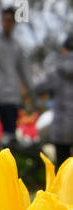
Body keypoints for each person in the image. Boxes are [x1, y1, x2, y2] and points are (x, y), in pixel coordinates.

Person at [0, 5, 31, 146]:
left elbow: (25, 72)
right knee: (7, 135)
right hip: (0, 95)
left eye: (9, 20)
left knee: (10, 135)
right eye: (4, 20)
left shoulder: (17, 46)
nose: (5, 24)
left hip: (13, 96)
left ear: (14, 23)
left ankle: (10, 162)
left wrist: (31, 96)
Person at [34, 35, 73, 164]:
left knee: (63, 168)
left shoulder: (56, 71)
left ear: (64, 50)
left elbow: (38, 87)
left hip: (61, 129)